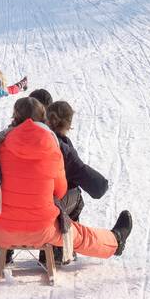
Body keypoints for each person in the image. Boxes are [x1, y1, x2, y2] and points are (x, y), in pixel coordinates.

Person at [0, 97, 132, 264]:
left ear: (14, 117)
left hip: (2, 229)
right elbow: (60, 191)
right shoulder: (53, 145)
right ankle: (115, 241)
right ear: (43, 117)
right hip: (44, 228)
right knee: (81, 235)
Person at [45, 100, 110, 256]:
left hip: (15, 210)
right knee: (76, 197)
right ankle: (60, 249)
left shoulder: (22, 138)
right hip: (47, 208)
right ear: (68, 125)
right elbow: (98, 189)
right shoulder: (64, 149)